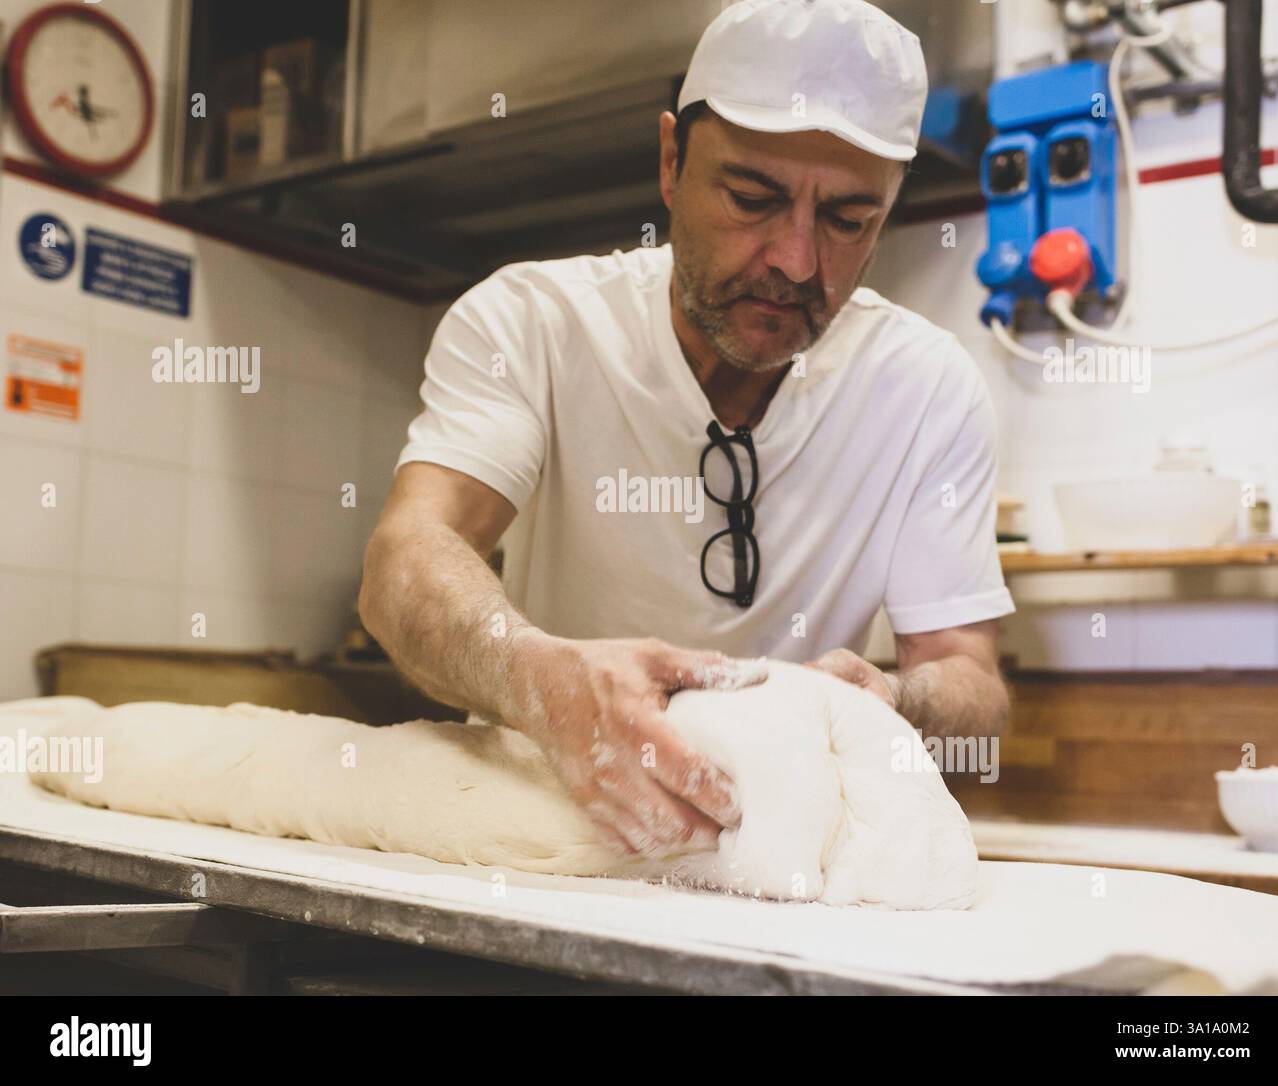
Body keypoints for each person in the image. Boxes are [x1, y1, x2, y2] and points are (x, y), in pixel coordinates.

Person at [360, 0, 1014, 860]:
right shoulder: (533, 324)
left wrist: (897, 699)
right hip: (550, 841)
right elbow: (406, 557)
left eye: (848, 220)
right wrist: (542, 679)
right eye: (753, 197)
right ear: (671, 162)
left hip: (788, 860)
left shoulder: (927, 388)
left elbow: (973, 683)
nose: (796, 261)